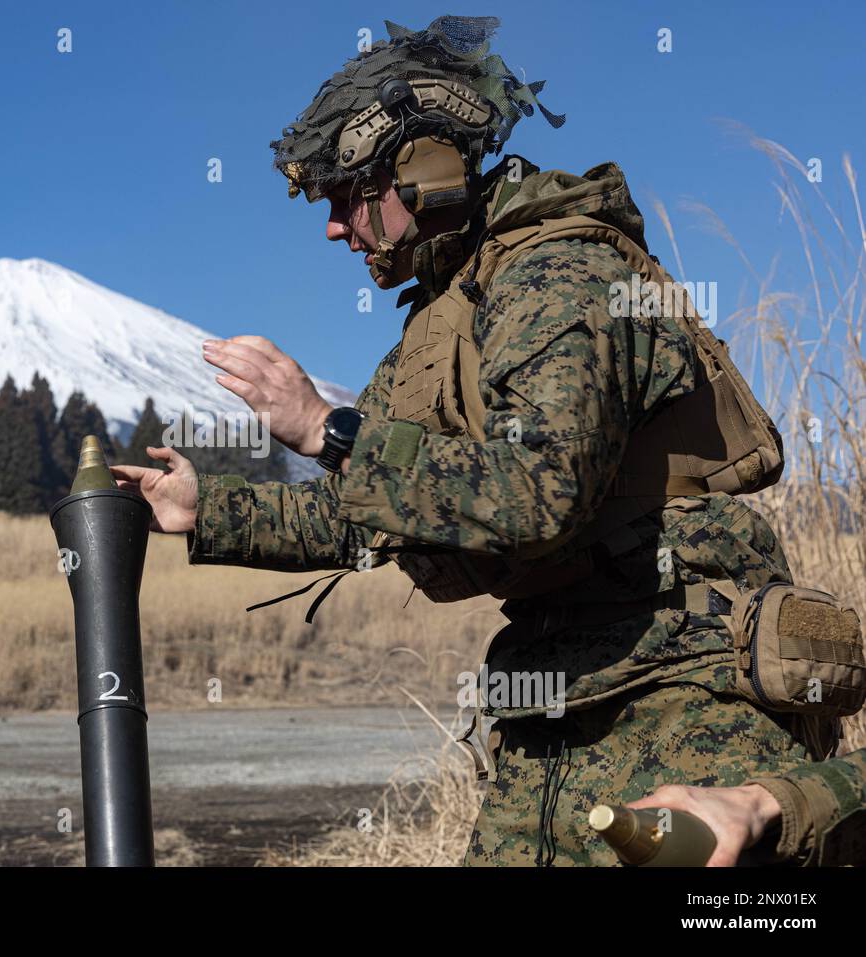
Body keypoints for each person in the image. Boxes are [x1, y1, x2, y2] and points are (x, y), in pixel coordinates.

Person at [110, 15, 863, 866]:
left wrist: (328, 426)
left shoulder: (566, 269)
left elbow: (542, 490)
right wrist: (205, 508)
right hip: (555, 694)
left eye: (344, 195)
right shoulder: (445, 315)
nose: (332, 227)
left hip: (681, 692)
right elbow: (370, 516)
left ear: (422, 175)